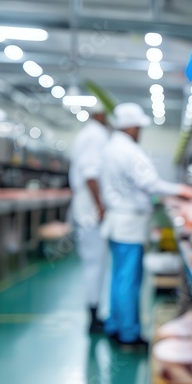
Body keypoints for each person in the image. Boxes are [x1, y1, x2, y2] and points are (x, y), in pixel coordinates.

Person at [100, 103, 192, 348]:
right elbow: (151, 184)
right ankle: (128, 334)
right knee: (128, 279)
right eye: (139, 127)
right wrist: (186, 191)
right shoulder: (129, 150)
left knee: (117, 277)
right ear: (132, 127)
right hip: (129, 224)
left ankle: (115, 325)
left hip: (117, 222)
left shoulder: (110, 147)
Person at [68, 105, 110, 333]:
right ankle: (94, 316)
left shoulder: (86, 134)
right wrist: (100, 207)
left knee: (92, 261)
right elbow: (91, 173)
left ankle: (94, 312)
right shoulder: (96, 135)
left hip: (84, 205)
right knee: (95, 262)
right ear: (101, 115)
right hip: (89, 208)